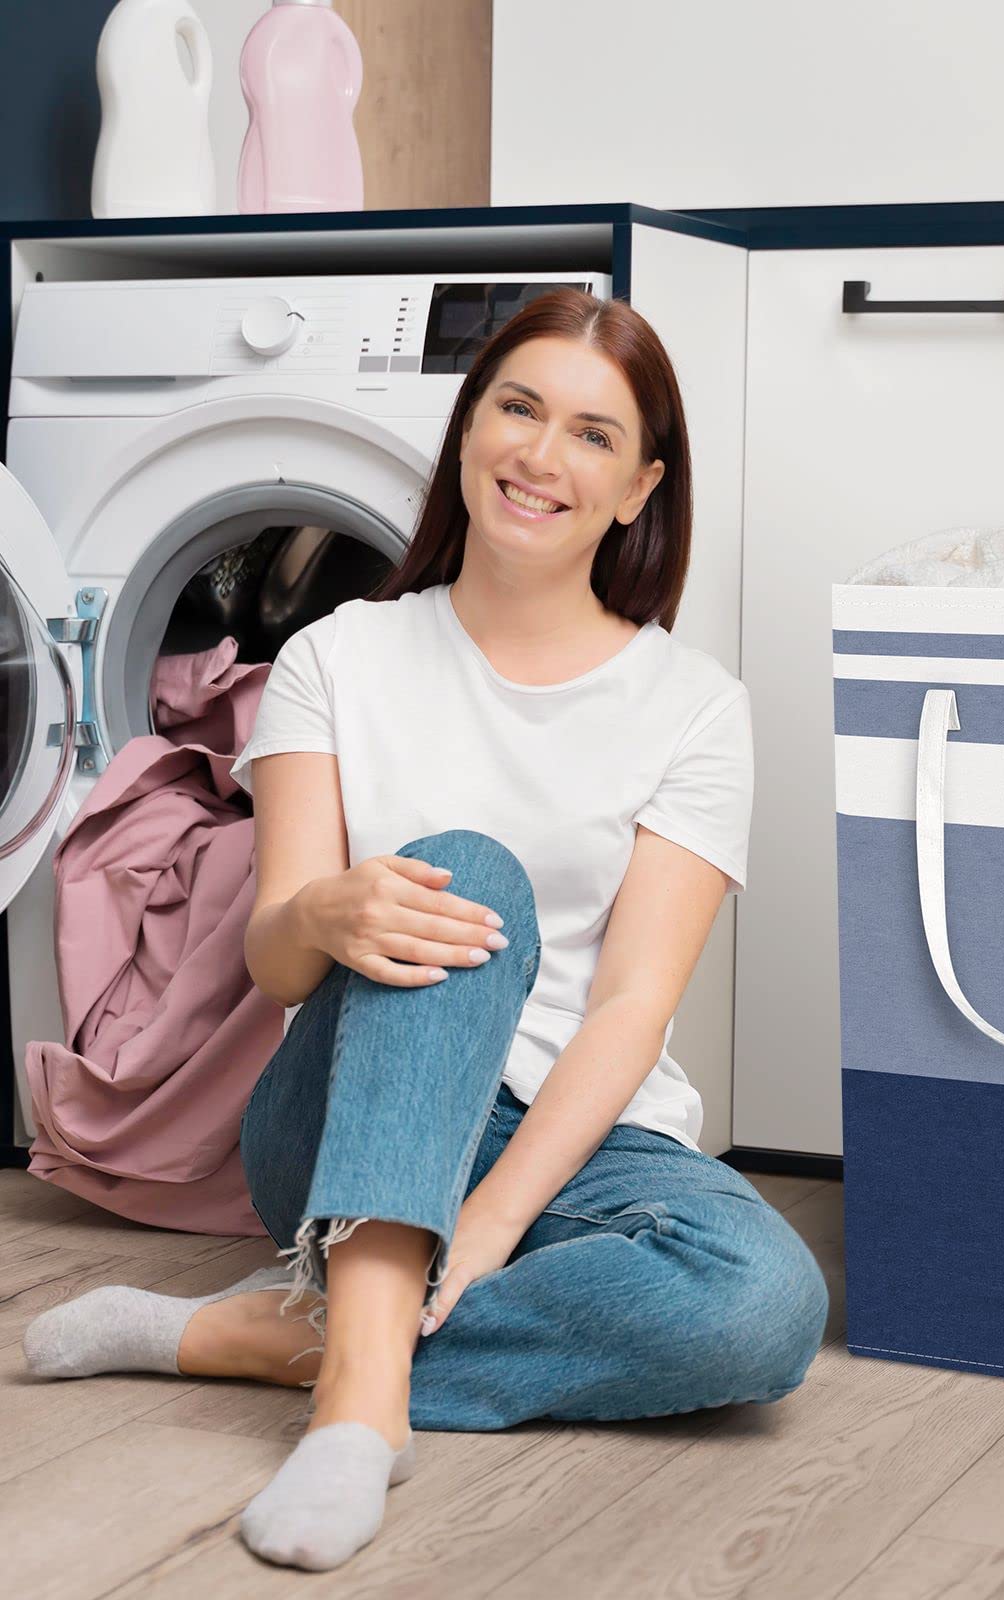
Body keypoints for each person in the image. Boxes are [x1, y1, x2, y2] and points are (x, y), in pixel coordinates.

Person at [23, 287, 830, 1572]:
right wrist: (324, 910)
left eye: (592, 434)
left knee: (766, 1308)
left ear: (638, 489)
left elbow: (629, 1009)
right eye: (515, 408)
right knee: (463, 877)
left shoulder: (694, 705)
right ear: (466, 435)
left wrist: (502, 1215)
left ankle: (266, 1332)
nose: (540, 454)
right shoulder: (339, 656)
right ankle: (354, 1412)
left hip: (575, 1133)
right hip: (349, 1113)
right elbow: (272, 960)